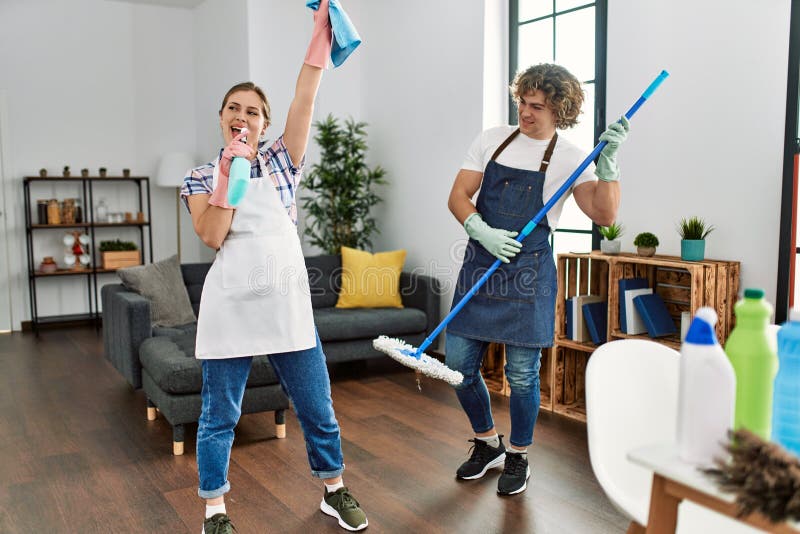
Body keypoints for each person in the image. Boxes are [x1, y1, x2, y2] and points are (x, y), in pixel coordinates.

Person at [179, 2, 367, 532]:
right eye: (234, 109)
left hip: (285, 302)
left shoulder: (284, 161)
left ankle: (334, 488)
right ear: (222, 116)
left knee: (316, 405)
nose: (243, 117)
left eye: (254, 111)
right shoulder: (198, 176)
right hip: (231, 305)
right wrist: (230, 173)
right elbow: (213, 234)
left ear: (264, 123)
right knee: (220, 416)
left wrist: (319, 37)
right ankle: (215, 509)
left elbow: (306, 93)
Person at [445, 63, 629, 496]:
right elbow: (457, 196)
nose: (525, 113)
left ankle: (519, 456)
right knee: (458, 365)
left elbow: (604, 215)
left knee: (523, 375)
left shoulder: (569, 155)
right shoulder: (493, 139)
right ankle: (488, 443)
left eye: (537, 107)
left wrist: (609, 164)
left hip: (529, 273)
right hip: (480, 263)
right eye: (522, 102)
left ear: (559, 111)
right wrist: (480, 230)